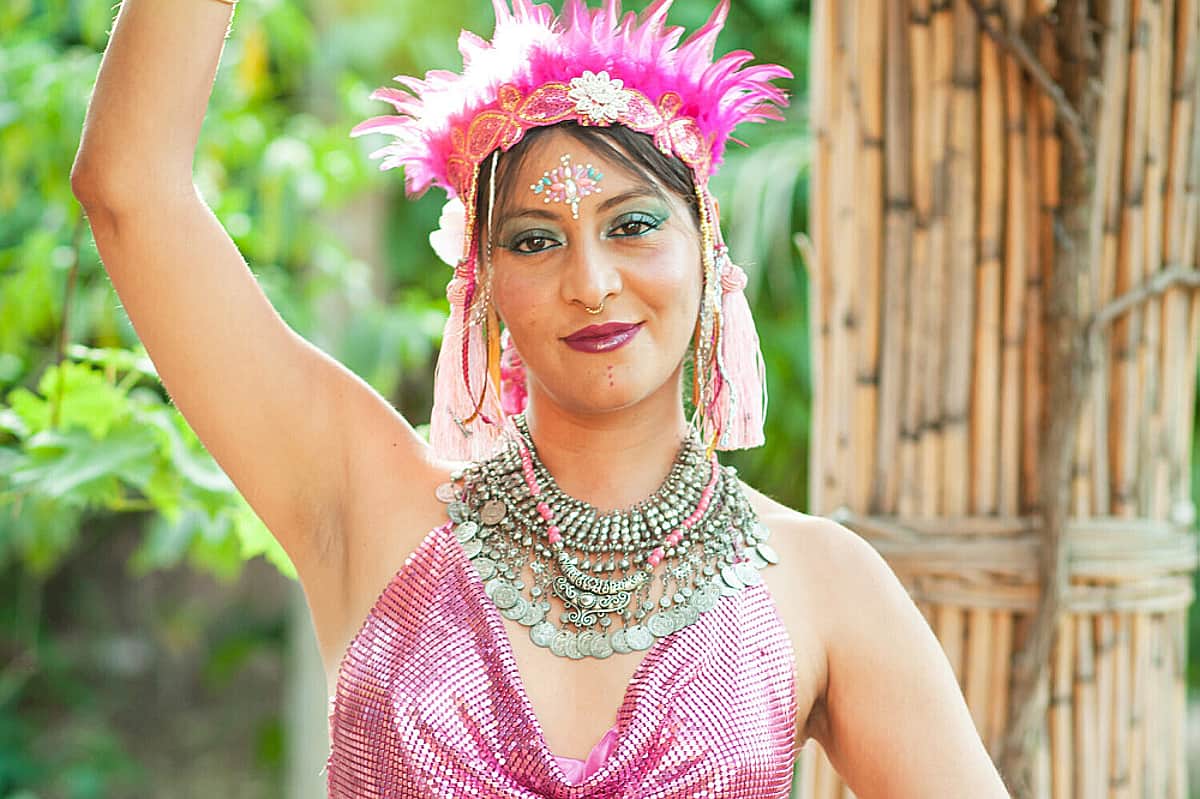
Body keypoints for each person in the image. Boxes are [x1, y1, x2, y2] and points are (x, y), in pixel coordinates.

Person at [70, 0, 1011, 796]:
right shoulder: (368, 505)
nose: (592, 281)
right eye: (533, 240)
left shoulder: (821, 583)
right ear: (480, 285)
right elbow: (129, 190)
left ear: (706, 249)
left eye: (633, 224)